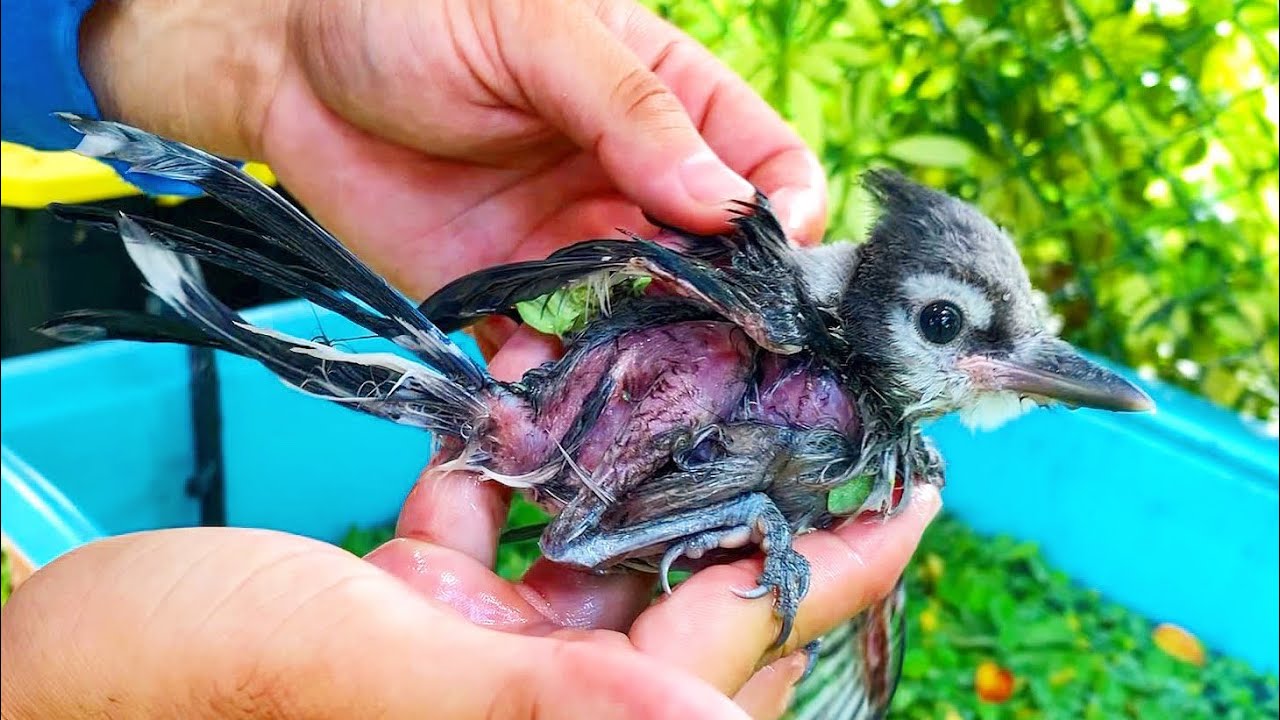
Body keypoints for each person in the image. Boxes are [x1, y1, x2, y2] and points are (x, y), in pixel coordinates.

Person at [0, 1, 942, 718]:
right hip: (575, 449)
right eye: (948, 325)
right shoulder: (797, 371)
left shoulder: (845, 415)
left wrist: (277, 49)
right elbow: (596, 517)